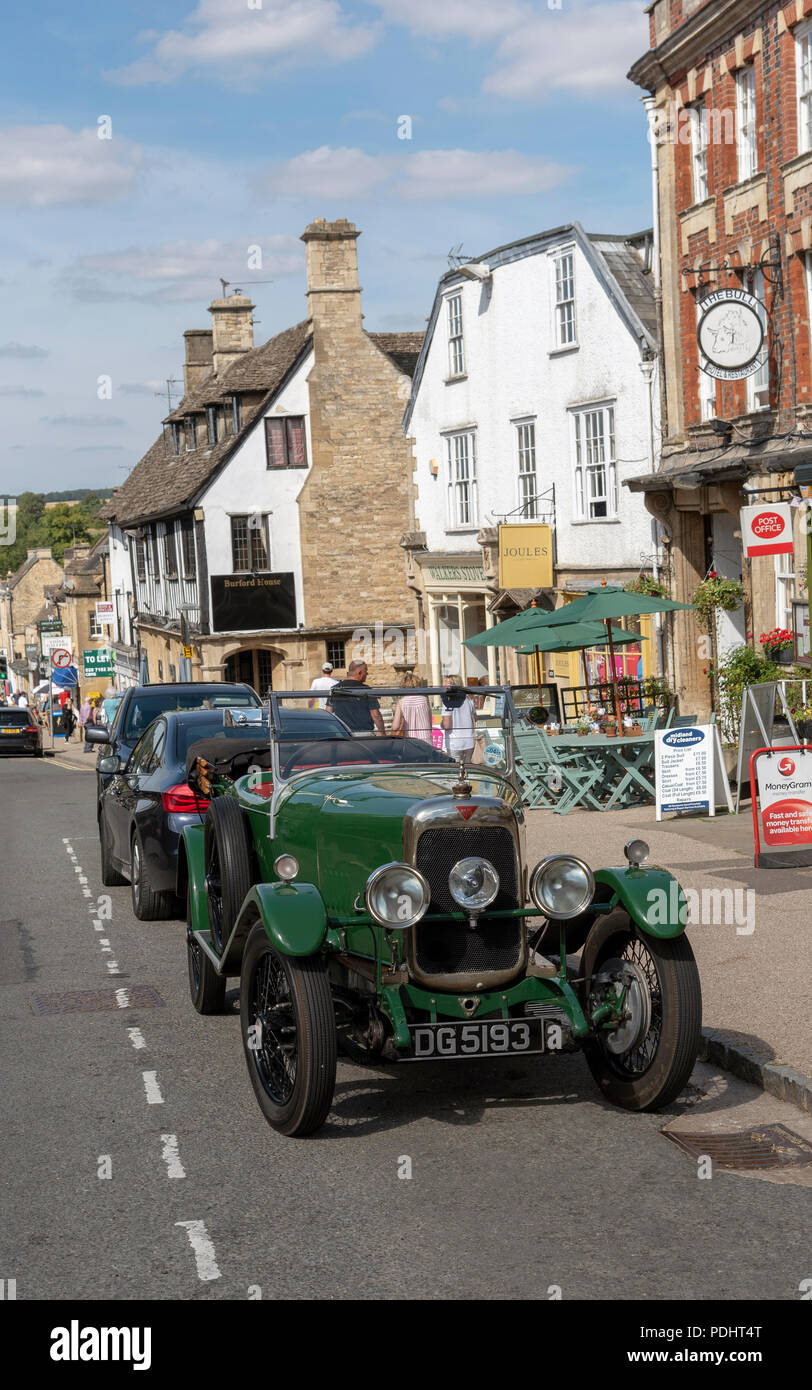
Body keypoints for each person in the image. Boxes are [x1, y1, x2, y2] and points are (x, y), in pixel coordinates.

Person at [327, 660, 384, 733]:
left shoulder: (335, 689)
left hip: (344, 734)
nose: (367, 673)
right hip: (363, 734)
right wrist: (383, 733)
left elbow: (329, 711)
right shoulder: (367, 690)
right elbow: (375, 714)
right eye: (365, 671)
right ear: (360, 673)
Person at [441, 674, 476, 762]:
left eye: (445, 684)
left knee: (456, 771)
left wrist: (442, 724)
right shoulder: (468, 699)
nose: (443, 686)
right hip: (469, 741)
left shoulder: (447, 700)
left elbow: (447, 725)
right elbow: (475, 717)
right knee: (467, 769)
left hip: (454, 742)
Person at [391, 672, 432, 744]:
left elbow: (395, 726)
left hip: (410, 741)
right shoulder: (425, 699)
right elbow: (430, 722)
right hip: (426, 740)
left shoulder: (401, 702)